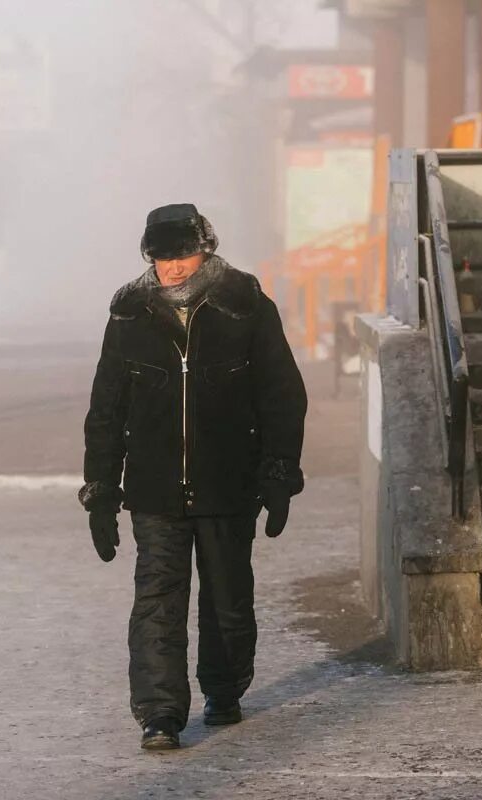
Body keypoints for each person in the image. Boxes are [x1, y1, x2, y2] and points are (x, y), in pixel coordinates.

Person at [79, 203, 307, 751]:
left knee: (228, 594)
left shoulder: (244, 304)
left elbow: (282, 395)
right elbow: (106, 408)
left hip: (228, 482)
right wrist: (103, 491)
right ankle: (160, 713)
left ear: (205, 249)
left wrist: (278, 472)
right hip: (155, 489)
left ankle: (224, 690)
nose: (174, 267)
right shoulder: (130, 314)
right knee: (157, 599)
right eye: (162, 257)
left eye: (183, 254)